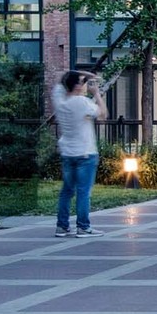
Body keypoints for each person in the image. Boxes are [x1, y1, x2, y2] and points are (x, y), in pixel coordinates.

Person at [51, 70, 106, 238]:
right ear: (76, 85)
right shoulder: (83, 103)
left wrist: (85, 75)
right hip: (85, 153)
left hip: (67, 153)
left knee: (67, 191)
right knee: (83, 192)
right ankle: (83, 227)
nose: (84, 85)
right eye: (82, 82)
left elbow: (62, 77)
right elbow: (103, 115)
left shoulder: (60, 100)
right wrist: (96, 94)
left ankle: (62, 226)